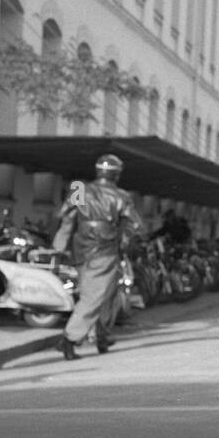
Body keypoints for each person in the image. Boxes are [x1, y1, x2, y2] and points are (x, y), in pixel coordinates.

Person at [50, 154, 144, 361]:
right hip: (105, 250)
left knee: (104, 294)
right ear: (117, 175)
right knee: (95, 297)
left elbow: (66, 220)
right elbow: (134, 226)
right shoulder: (121, 196)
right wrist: (127, 244)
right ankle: (69, 338)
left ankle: (102, 336)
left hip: (81, 251)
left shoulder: (81, 190)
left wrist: (58, 248)